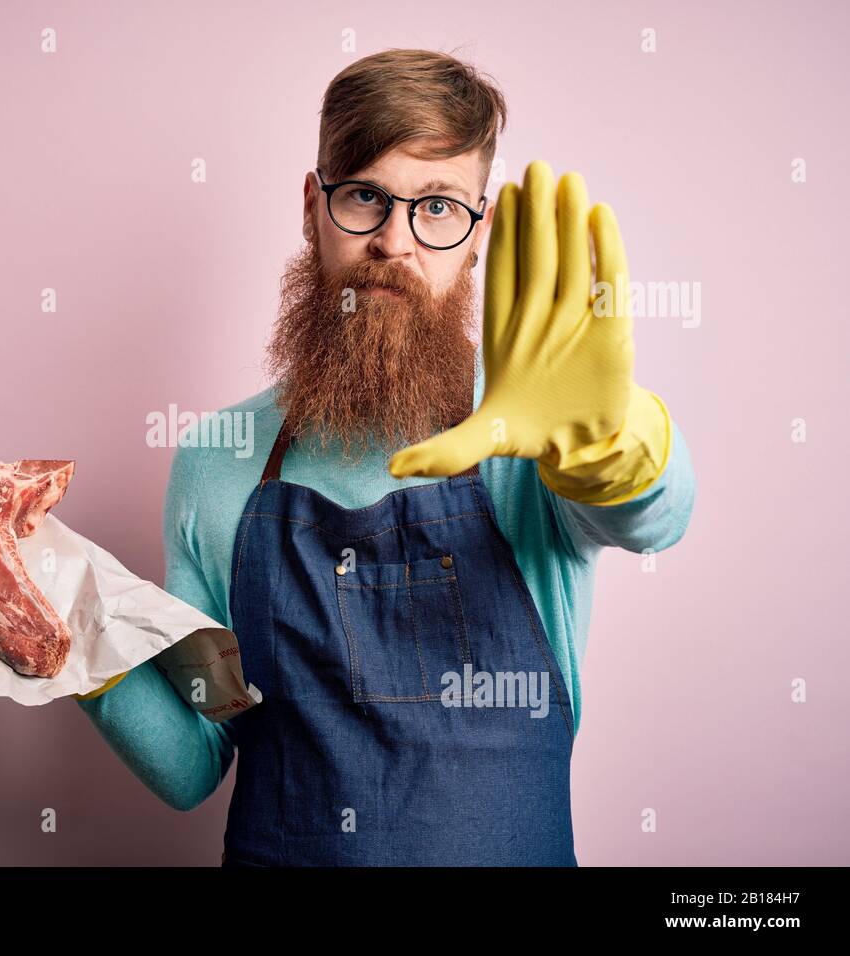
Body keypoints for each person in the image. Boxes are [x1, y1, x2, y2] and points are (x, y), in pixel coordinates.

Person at [73, 48, 696, 866]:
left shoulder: (536, 439)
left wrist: (611, 443)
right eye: (365, 196)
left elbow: (660, 518)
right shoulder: (217, 462)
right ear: (312, 207)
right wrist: (68, 631)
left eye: (437, 206)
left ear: (478, 235)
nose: (395, 242)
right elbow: (195, 756)